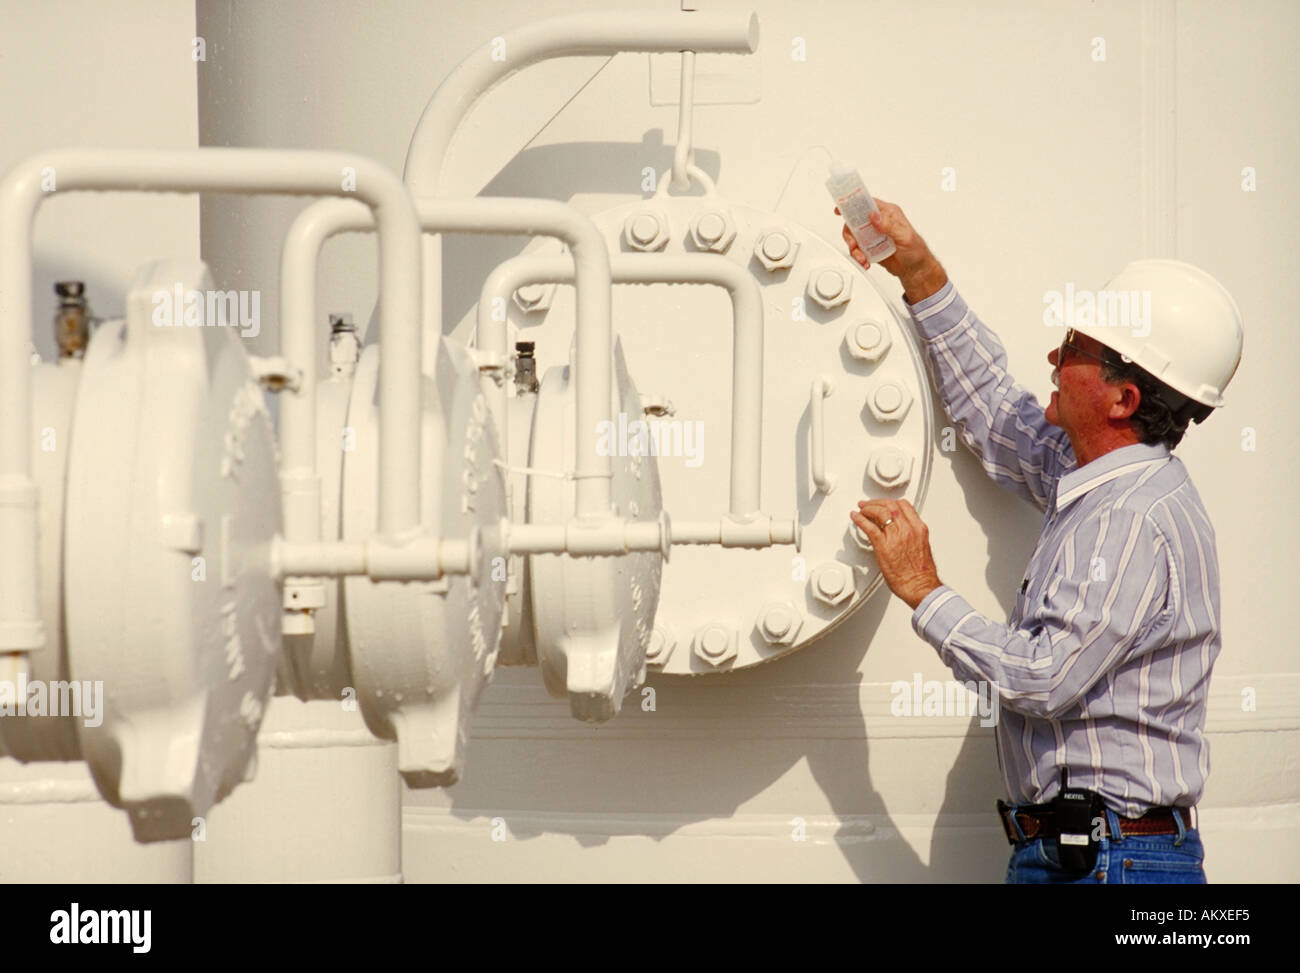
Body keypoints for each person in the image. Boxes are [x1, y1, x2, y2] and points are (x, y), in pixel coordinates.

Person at [842, 201, 1243, 884]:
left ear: (1121, 399)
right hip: (1095, 855)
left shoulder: (1133, 519)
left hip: (1110, 863)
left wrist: (925, 589)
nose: (1054, 358)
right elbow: (997, 412)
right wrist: (917, 270)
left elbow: (1046, 676)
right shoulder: (1097, 478)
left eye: (1076, 350)